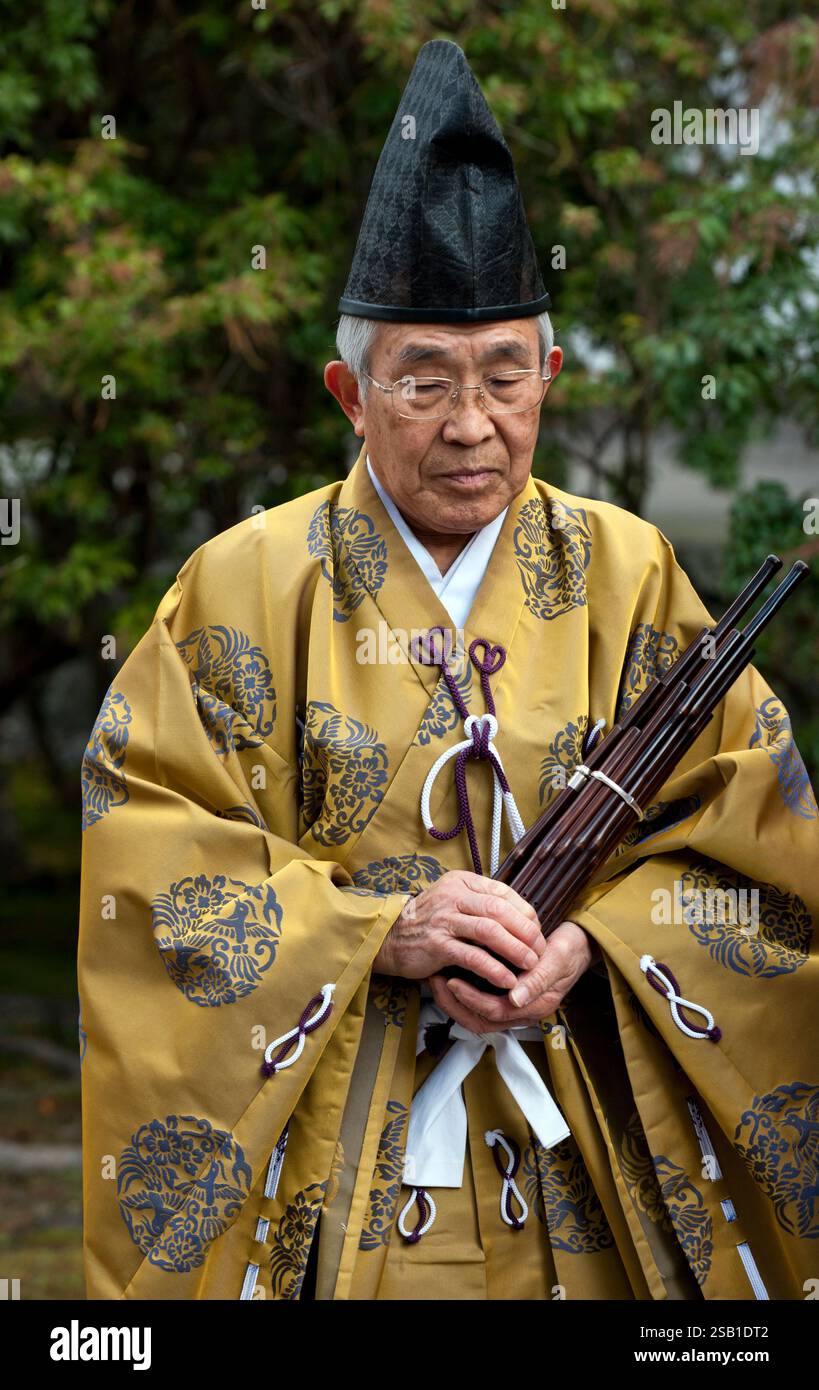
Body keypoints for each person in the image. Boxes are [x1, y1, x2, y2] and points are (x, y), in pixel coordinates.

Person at [78, 38, 819, 1301]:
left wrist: (596, 942)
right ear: (349, 394)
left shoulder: (630, 572)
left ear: (550, 378)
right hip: (348, 1196)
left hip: (588, 1184)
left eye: (505, 375)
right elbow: (150, 863)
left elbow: (759, 847)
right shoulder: (241, 586)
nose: (472, 424)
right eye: (422, 380)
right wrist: (380, 931)